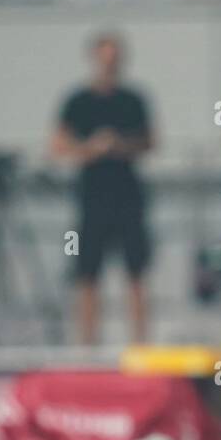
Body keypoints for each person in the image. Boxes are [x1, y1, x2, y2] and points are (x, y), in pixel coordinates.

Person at [51, 33, 156, 346]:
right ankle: (88, 346)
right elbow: (58, 145)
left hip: (127, 195)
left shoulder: (133, 100)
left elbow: (150, 141)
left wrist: (120, 146)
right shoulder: (78, 101)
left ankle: (140, 343)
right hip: (92, 195)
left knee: (136, 272)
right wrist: (90, 148)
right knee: (88, 275)